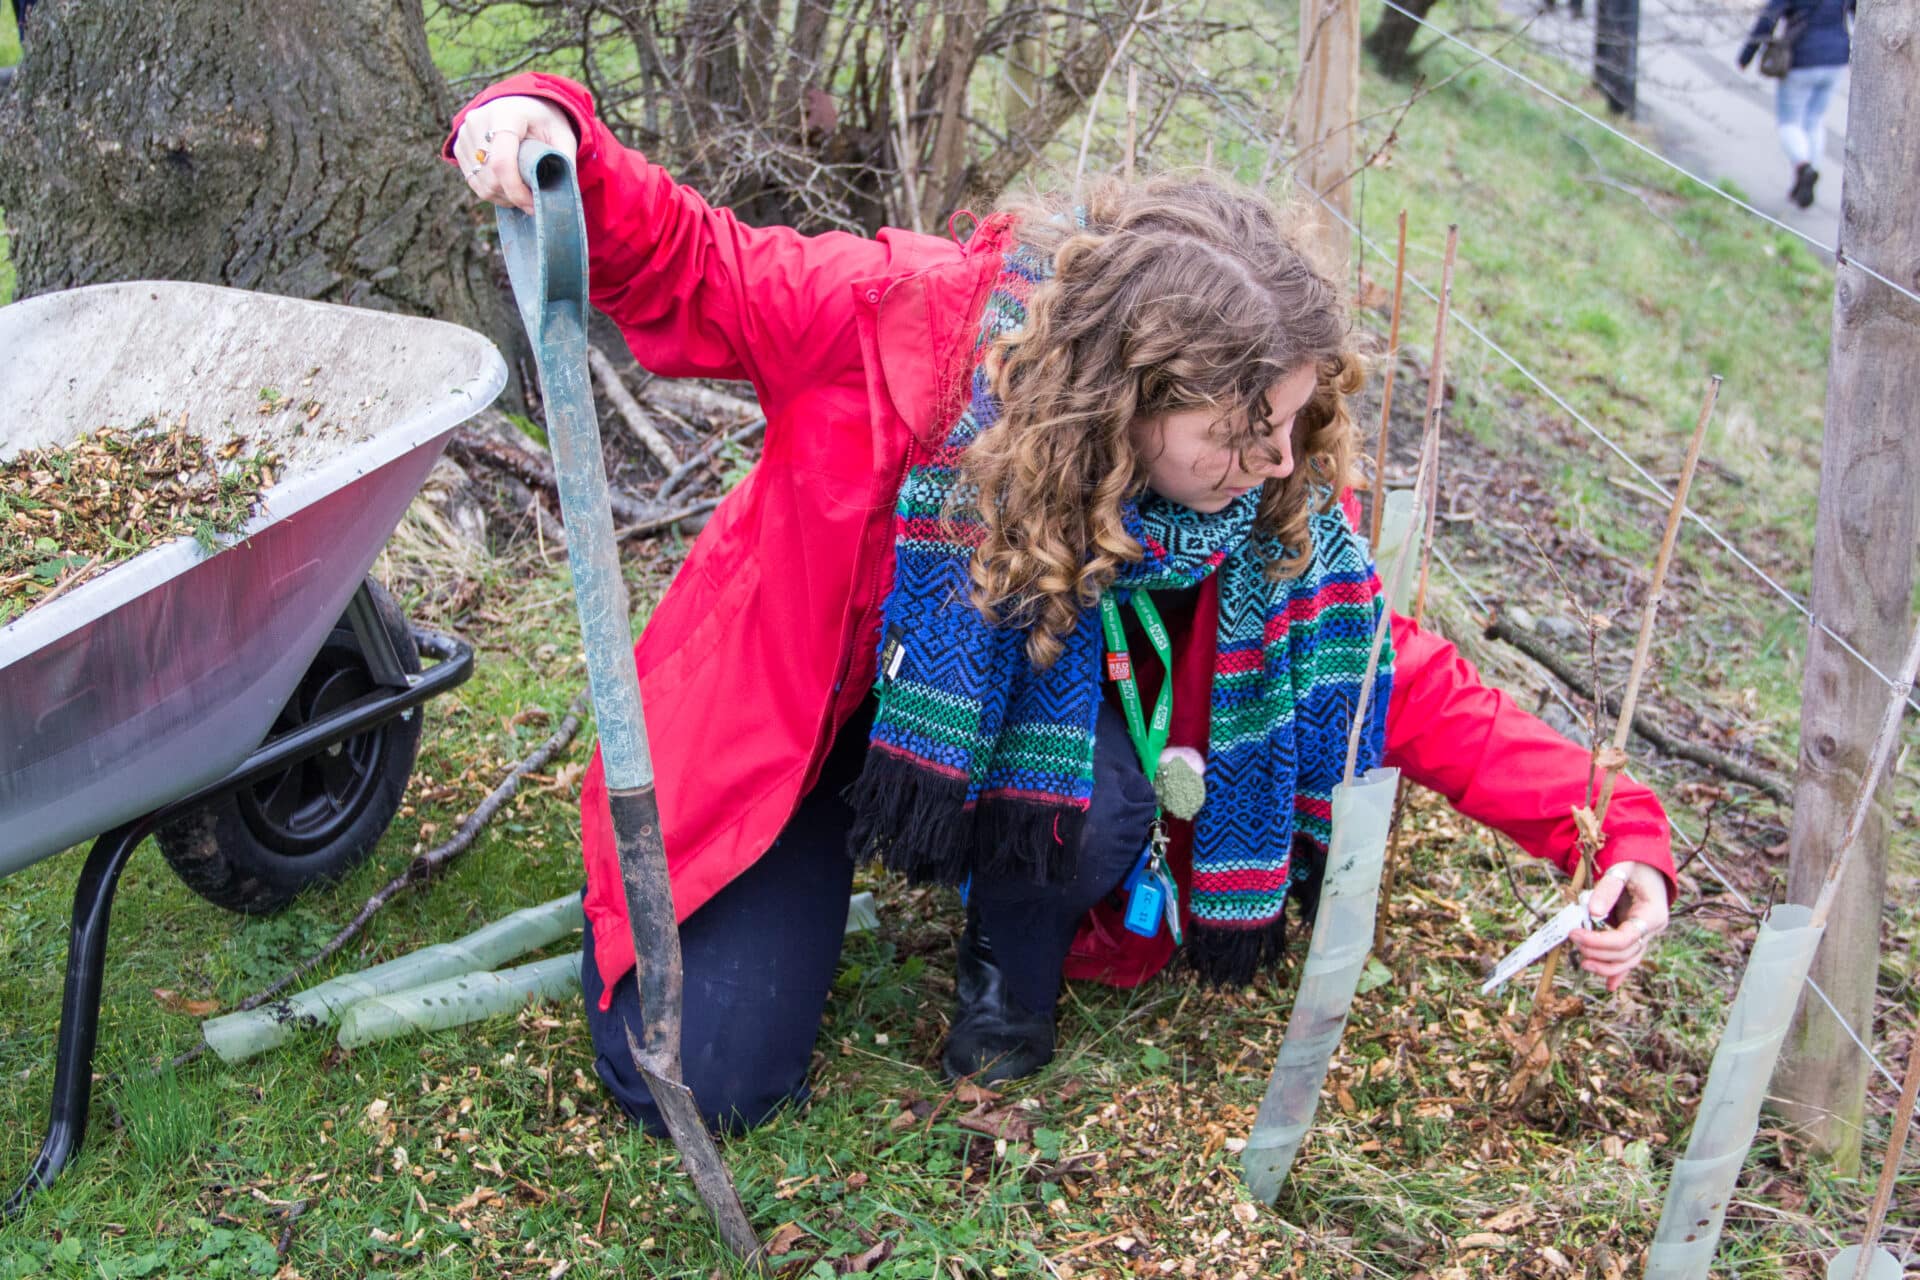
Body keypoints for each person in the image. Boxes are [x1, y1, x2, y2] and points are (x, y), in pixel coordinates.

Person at [442, 74, 1676, 1136]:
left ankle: (1006, 948)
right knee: (706, 1080)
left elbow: (1389, 670)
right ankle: (813, 868)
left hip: (1021, 729)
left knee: (1099, 803)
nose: (1284, 457)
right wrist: (548, 130)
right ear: (1136, 395)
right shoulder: (913, 329)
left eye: (1294, 417)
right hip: (797, 730)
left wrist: (1610, 824)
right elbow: (697, 264)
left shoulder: (1244, 500)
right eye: (1247, 428)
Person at [1738, 0, 1855, 209]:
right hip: (1836, 59)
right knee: (1815, 120)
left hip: (1800, 58)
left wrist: (1747, 55)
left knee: (1789, 122)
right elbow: (1856, 13)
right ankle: (1806, 175)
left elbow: (1768, 19)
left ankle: (1803, 166)